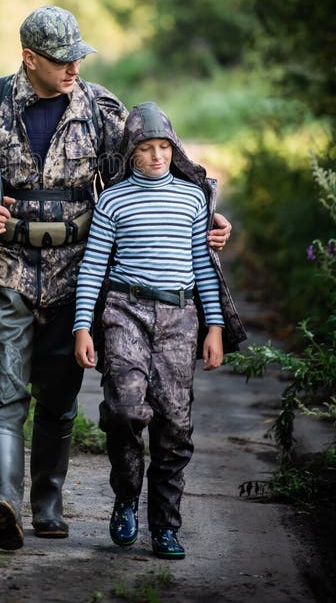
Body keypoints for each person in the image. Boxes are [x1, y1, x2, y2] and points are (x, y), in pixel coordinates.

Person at [0, 7, 233, 552]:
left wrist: (206, 213)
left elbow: (157, 162)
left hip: (79, 272)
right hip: (7, 268)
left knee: (60, 397)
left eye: (78, 58)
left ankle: (47, 505)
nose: (73, 68)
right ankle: (5, 502)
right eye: (62, 60)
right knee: (3, 391)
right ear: (29, 58)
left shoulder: (102, 109)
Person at [74, 101, 246, 559]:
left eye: (164, 147)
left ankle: (166, 527)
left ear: (174, 149)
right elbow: (93, 267)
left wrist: (213, 326)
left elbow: (203, 268)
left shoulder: (192, 199)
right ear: (131, 152)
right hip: (123, 311)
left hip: (179, 319)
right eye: (146, 148)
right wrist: (82, 327)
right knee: (126, 410)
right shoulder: (112, 200)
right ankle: (126, 494)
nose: (156, 157)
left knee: (174, 425)